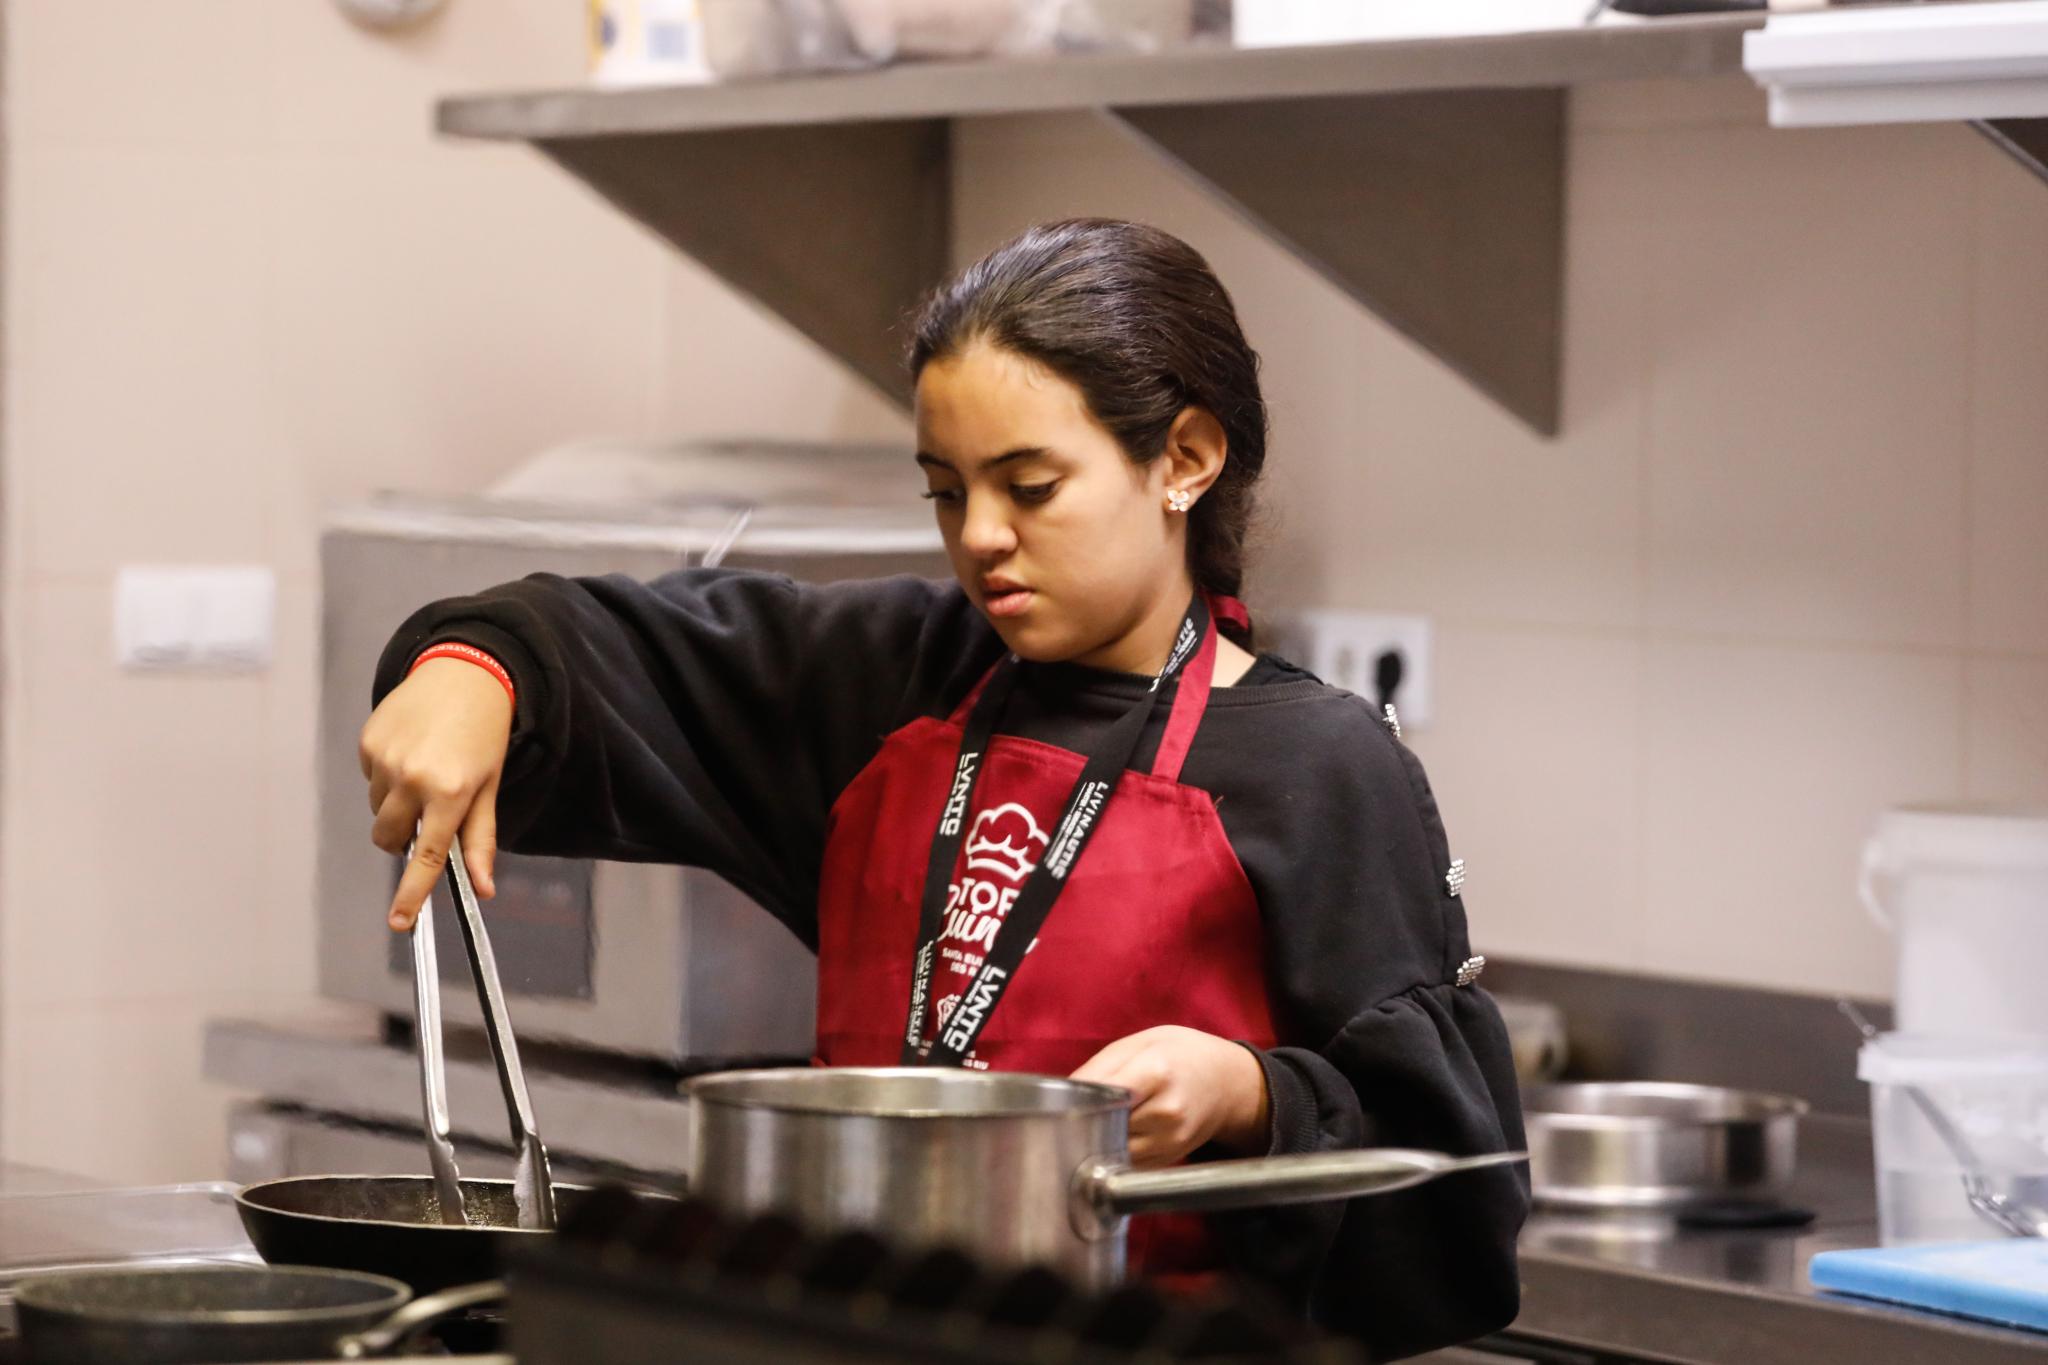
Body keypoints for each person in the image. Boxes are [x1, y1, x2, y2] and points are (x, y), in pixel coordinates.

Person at [359, 217, 1527, 1360]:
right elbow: (595, 644)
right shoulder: (896, 683)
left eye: (1029, 487)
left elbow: (1452, 1202)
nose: (979, 539)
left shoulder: (1319, 766)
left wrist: (1252, 1097)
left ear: (1183, 460)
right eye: (945, 491)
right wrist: (474, 670)